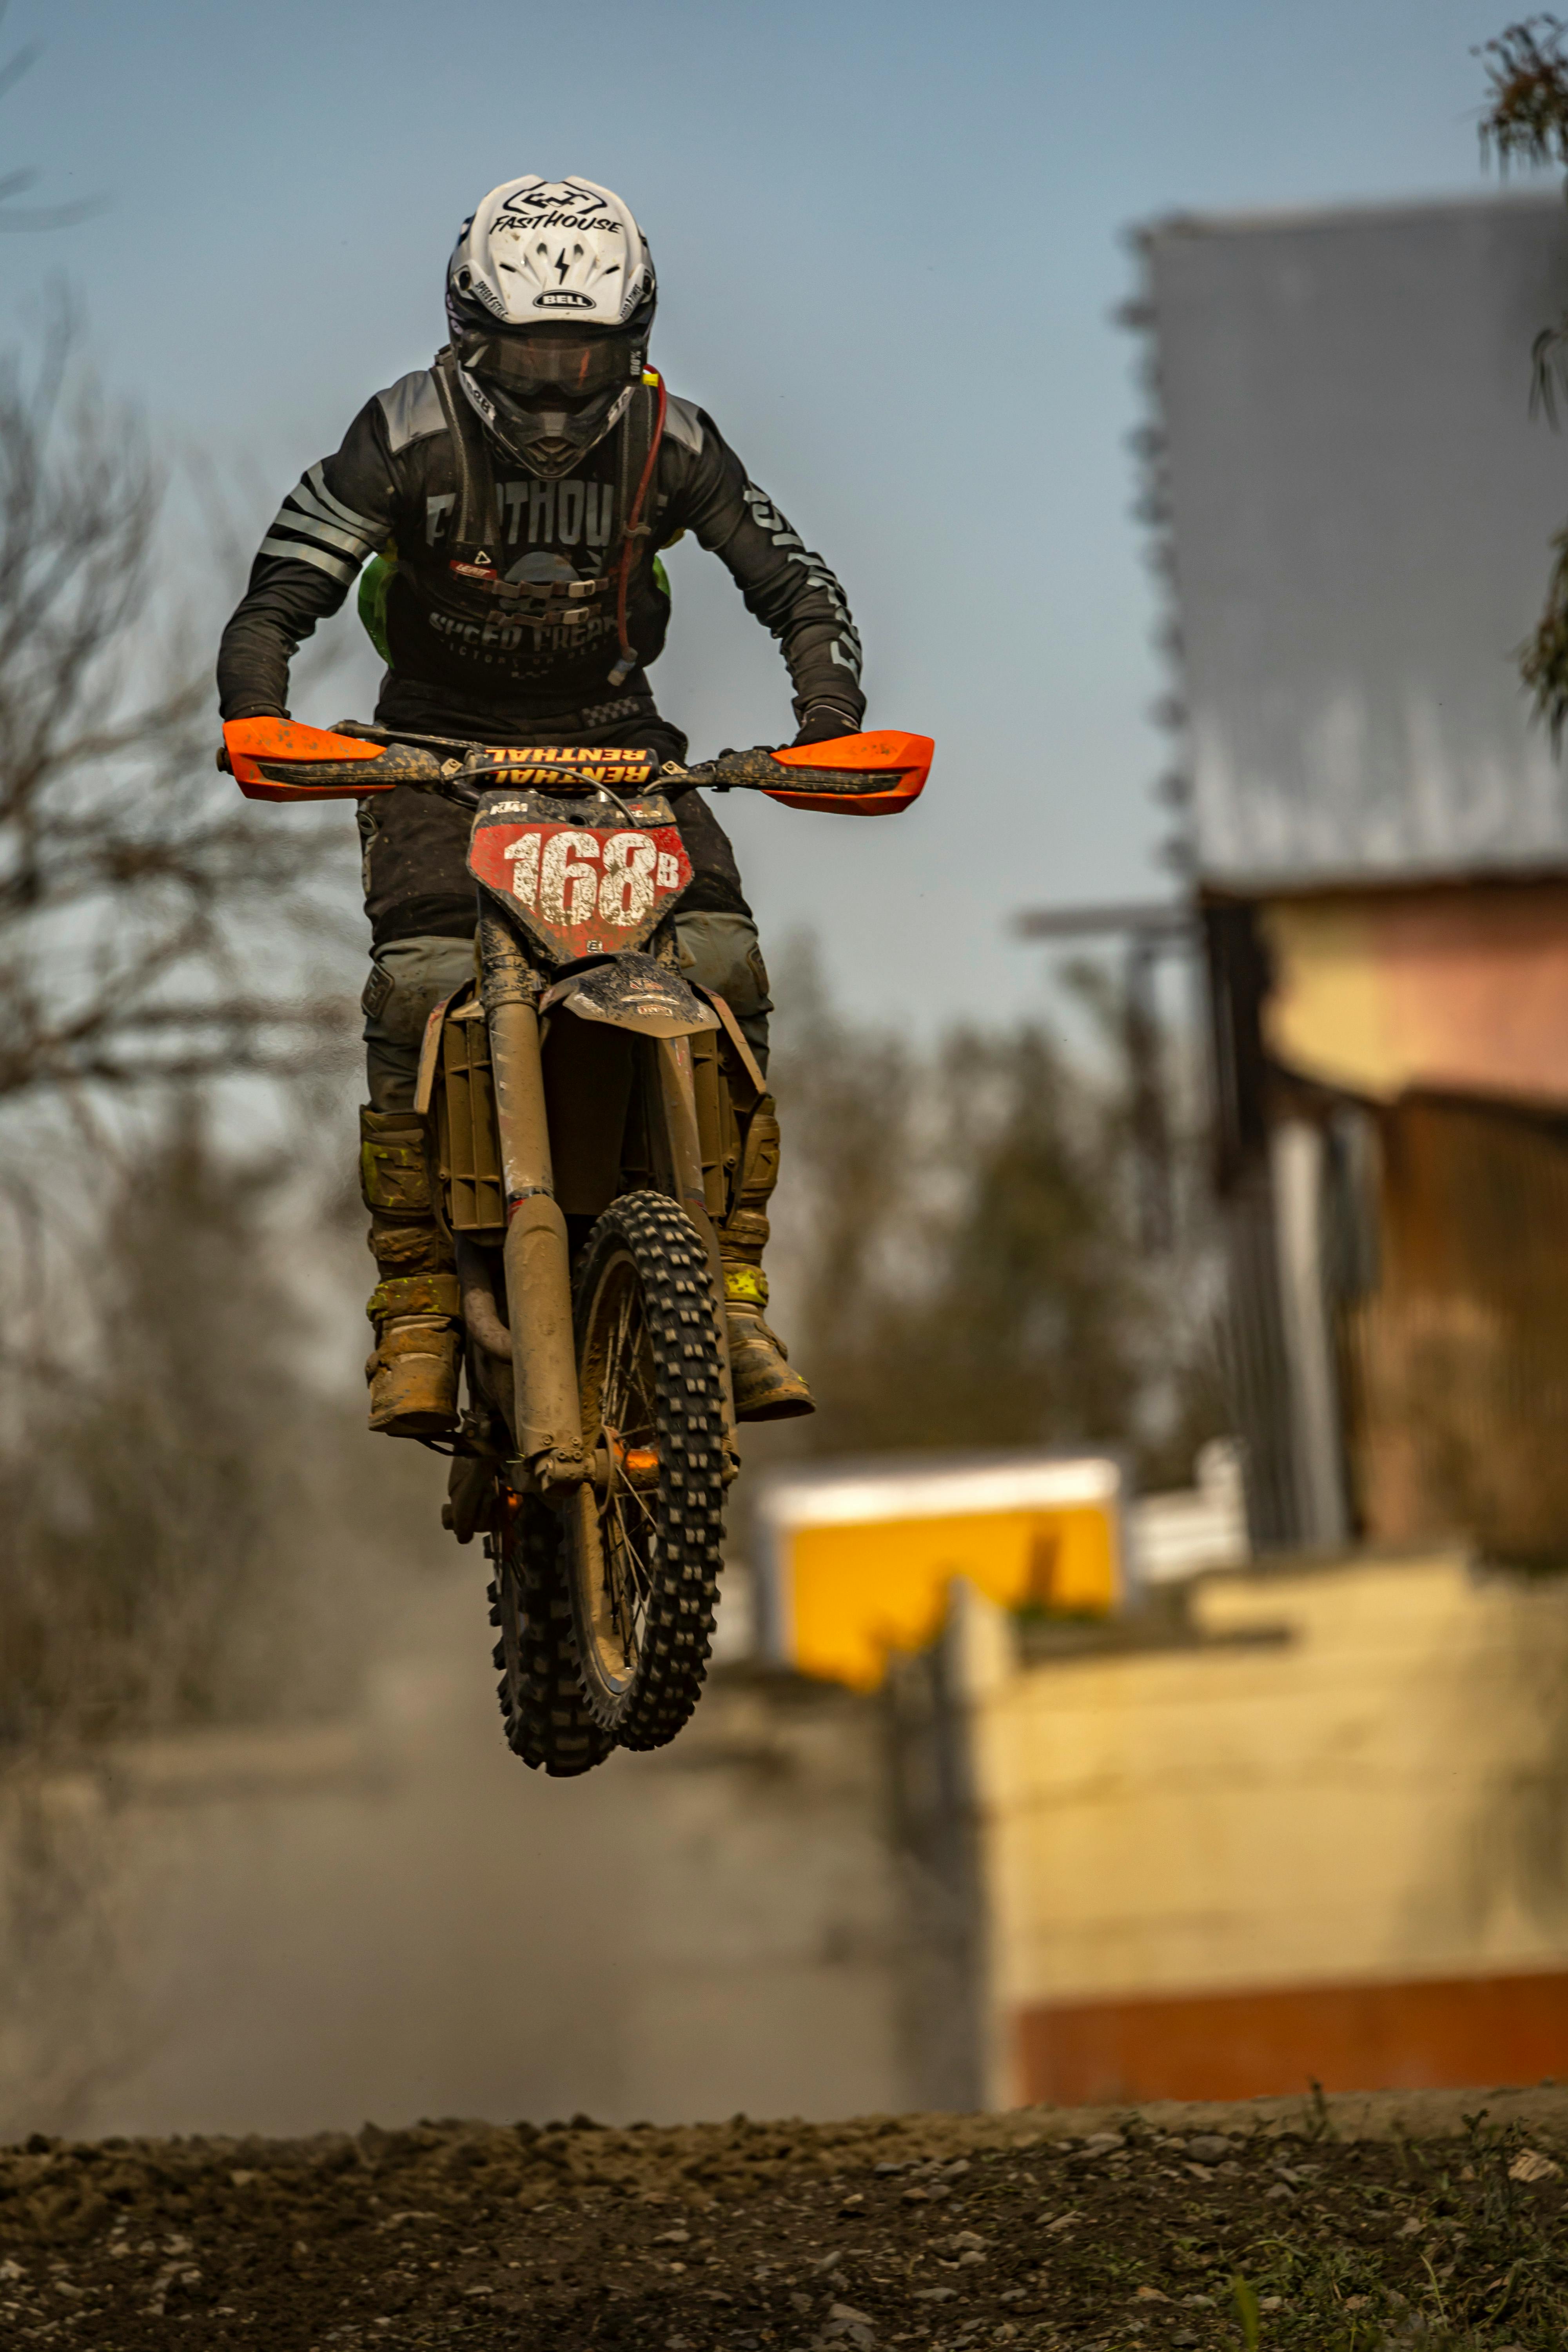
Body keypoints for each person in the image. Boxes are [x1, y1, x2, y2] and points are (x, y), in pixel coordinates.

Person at [217, 175, 866, 1438]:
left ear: (636, 344)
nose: (561, 387)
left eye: (588, 355)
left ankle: (730, 1287)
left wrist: (827, 724)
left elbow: (795, 582)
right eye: (533, 354)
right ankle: (412, 1299)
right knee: (415, 978)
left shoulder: (677, 442)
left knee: (726, 960)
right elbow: (285, 583)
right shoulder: (401, 434)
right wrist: (258, 708)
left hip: (617, 739)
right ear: (471, 335)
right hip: (430, 750)